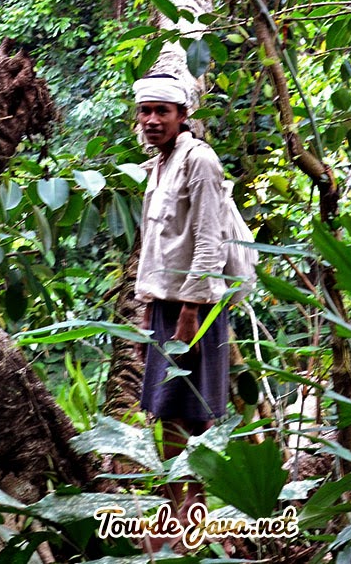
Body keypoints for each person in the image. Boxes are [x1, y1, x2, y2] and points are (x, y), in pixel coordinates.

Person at [133, 74, 230, 521]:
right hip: (164, 305)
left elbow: (210, 238)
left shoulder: (200, 160)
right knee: (168, 410)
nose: (152, 120)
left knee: (195, 410)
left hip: (195, 307)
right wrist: (148, 308)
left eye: (162, 112)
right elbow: (156, 244)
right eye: (145, 111)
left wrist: (190, 311)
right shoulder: (159, 163)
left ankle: (197, 511)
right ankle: (176, 512)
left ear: (183, 115)